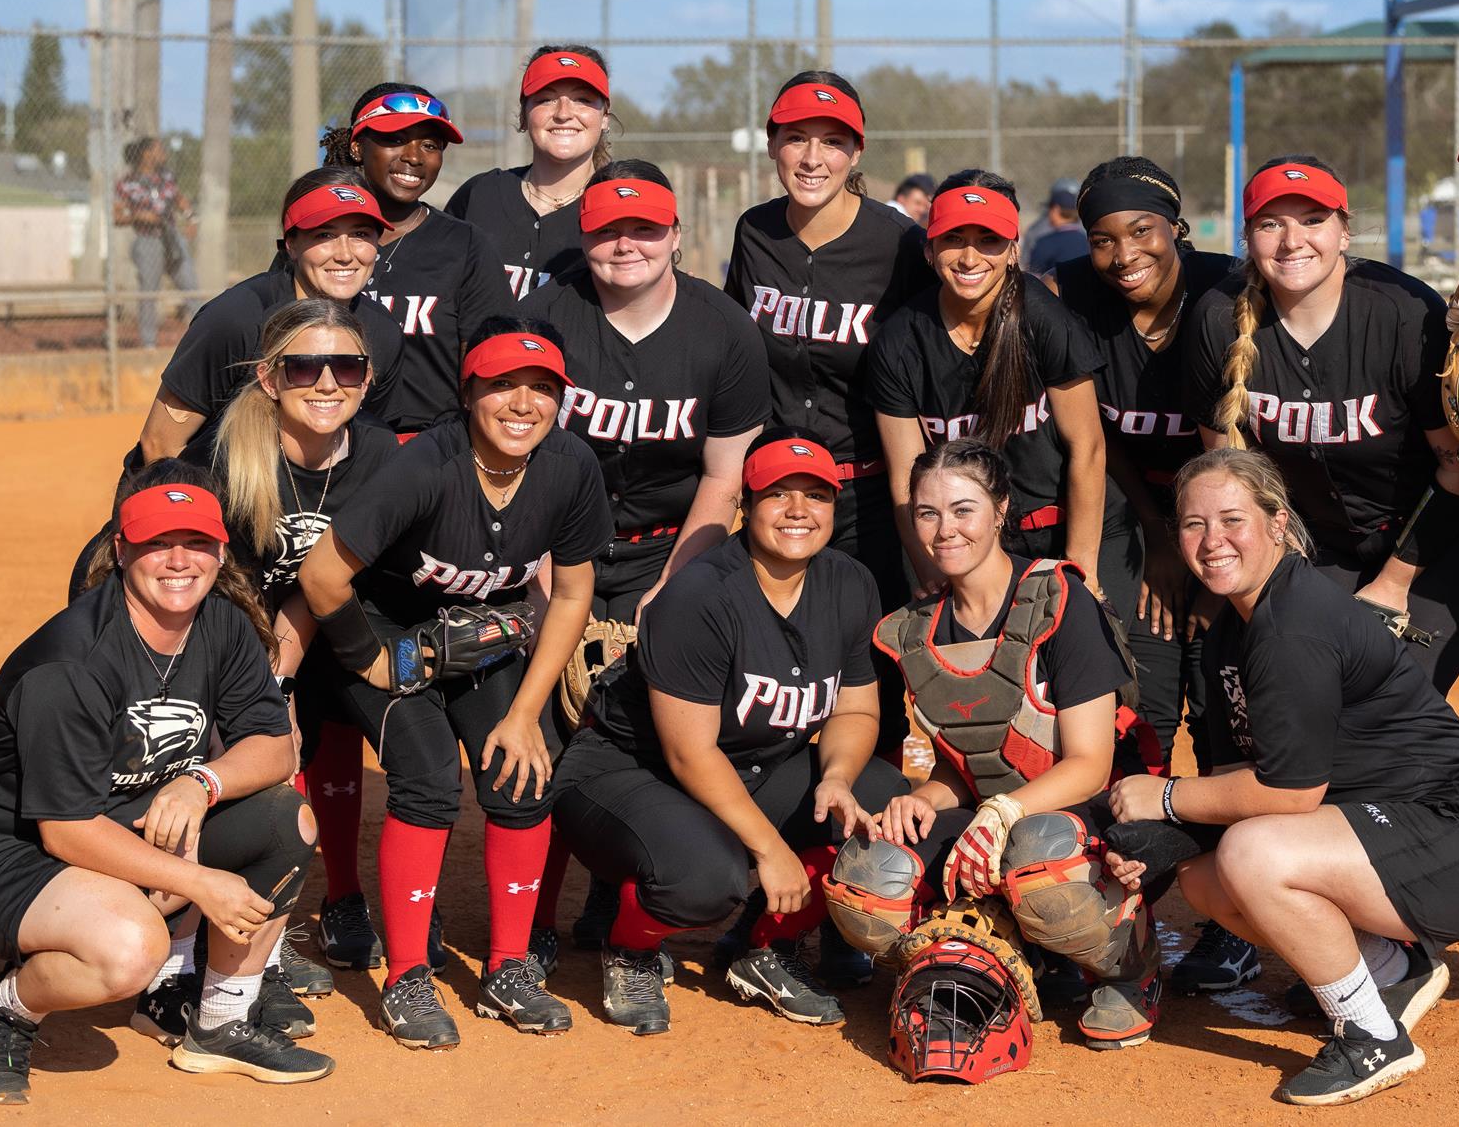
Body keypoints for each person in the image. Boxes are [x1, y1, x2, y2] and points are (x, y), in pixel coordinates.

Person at [1103, 447, 1459, 1106]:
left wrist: (1165, 797)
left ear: (1277, 522)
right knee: (1205, 878)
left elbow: (1288, 795)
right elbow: (1234, 781)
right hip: (1386, 832)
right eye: (1193, 524)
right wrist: (1173, 840)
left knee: (1253, 853)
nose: (1211, 540)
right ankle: (1391, 968)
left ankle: (1373, 1035)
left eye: (1232, 519)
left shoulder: (1292, 622)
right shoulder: (1230, 632)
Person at [0, 464, 332, 1103]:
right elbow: (64, 829)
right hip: (0, 852)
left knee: (287, 820)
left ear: (221, 549)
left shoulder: (221, 624)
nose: (179, 561)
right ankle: (8, 1008)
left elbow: (275, 747)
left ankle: (220, 1021)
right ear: (121, 550)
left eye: (197, 542)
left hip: (117, 820)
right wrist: (198, 882)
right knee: (127, 948)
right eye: (155, 542)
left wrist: (201, 783)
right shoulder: (72, 662)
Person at [297, 321, 612, 1050]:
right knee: (428, 775)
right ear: (469, 392)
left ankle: (507, 967)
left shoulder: (568, 466)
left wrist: (527, 712)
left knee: (523, 773)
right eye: (502, 384)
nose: (522, 402)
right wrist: (368, 659)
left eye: (541, 388)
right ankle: (407, 974)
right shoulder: (426, 464)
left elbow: (570, 595)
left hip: (480, 628)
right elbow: (320, 574)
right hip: (382, 627)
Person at [549, 430, 907, 1034]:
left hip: (749, 765)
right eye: (778, 495)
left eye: (816, 496)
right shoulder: (701, 593)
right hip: (632, 771)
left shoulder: (849, 582)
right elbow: (689, 755)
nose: (799, 511)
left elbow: (855, 711)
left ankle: (762, 949)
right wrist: (771, 849)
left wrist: (838, 778)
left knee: (881, 800)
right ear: (745, 505)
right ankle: (631, 946)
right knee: (705, 878)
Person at [824, 441, 1163, 1050]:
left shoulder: (1059, 599)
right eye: (927, 513)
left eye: (962, 510)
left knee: (1037, 853)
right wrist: (924, 797)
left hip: (1090, 813)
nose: (944, 529)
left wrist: (1000, 812)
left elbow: (1091, 765)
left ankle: (1128, 965)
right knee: (867, 879)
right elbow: (974, 760)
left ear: (1000, 508)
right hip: (995, 818)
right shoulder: (914, 628)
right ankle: (1005, 946)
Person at [1188, 156, 1459, 697]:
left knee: (1393, 704)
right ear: (1248, 237)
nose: (1292, 241)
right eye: (1270, 224)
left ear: (1344, 229)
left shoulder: (1403, 312)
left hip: (1439, 545)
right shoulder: (1218, 319)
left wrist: (1394, 582)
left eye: (1312, 219)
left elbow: (1458, 467)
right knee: (1296, 694)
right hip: (1319, 546)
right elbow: (1225, 477)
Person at [1047, 155, 1242, 994]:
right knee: (1148, 697)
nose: (1125, 254)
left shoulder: (1222, 297)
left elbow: (1235, 452)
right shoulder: (1074, 296)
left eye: (1142, 231)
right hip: (1139, 514)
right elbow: (1100, 437)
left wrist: (1201, 547)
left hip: (1234, 504)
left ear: (1178, 229)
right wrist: (1161, 537)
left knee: (1236, 705)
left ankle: (1233, 915)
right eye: (1103, 239)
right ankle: (1137, 902)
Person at [724, 71, 933, 752]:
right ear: (772, 144)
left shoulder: (899, 243)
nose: (813, 157)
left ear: (857, 153)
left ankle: (862, 835)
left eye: (833, 141)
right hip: (772, 491)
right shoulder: (754, 231)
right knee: (767, 670)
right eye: (796, 138)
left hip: (868, 491)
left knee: (870, 670)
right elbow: (738, 361)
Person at [207, 299, 405, 985]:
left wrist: (286, 674)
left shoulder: (377, 452)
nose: (327, 382)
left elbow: (324, 583)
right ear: (270, 377)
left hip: (313, 622)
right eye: (304, 366)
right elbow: (212, 587)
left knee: (336, 712)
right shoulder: (228, 453)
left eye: (345, 364)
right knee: (258, 745)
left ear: (367, 375)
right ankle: (264, 918)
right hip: (226, 630)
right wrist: (261, 689)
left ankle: (344, 897)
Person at [525, 162, 770, 624]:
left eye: (645, 228)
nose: (625, 245)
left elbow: (723, 478)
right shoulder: (540, 321)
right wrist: (542, 584)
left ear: (675, 235)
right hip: (550, 546)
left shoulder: (727, 330)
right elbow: (514, 462)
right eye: (607, 229)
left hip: (672, 545)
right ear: (582, 235)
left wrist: (673, 583)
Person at [871, 169, 1108, 597]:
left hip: (1059, 530)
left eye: (989, 240)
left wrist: (1082, 568)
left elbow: (1087, 448)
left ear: (1014, 250)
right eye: (954, 239)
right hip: (960, 541)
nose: (969, 257)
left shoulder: (1043, 318)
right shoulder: (900, 339)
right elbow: (906, 477)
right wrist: (929, 568)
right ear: (929, 249)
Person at [135, 168, 406, 464]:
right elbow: (160, 444)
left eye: (360, 234)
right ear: (291, 244)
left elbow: (367, 447)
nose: (344, 254)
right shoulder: (237, 319)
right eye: (325, 234)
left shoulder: (381, 332)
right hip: (206, 496)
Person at [321, 84, 513, 431]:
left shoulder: (465, 245)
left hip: (430, 449)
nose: (414, 156)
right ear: (356, 146)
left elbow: (488, 370)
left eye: (430, 145)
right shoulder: (316, 237)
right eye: (395, 138)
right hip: (325, 446)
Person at [444, 45, 613, 300]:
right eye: (546, 99)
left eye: (583, 100)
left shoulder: (620, 206)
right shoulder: (481, 195)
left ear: (605, 117)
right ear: (523, 115)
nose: (564, 113)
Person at [114, 136, 199, 349]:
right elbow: (116, 217)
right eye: (159, 149)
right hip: (147, 240)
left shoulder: (166, 176)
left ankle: (206, 337)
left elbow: (179, 199)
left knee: (190, 286)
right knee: (149, 292)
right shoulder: (127, 183)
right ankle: (149, 344)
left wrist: (191, 217)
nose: (164, 153)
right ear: (146, 154)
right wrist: (138, 216)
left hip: (171, 237)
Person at [1023, 178, 1085, 276]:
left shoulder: (1043, 241)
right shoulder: (1089, 239)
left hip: (1053, 290)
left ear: (1055, 210)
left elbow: (1033, 279)